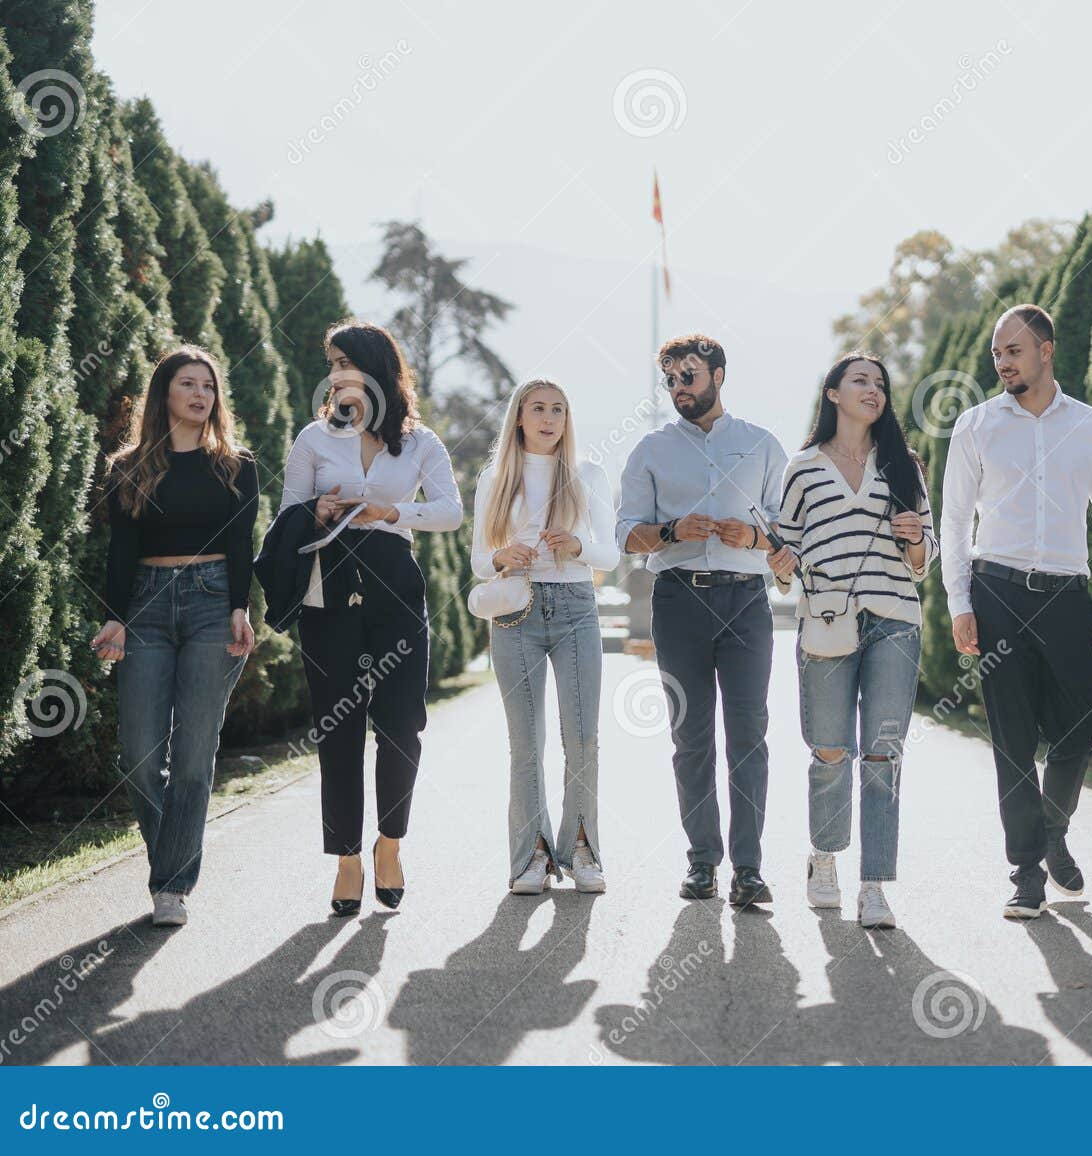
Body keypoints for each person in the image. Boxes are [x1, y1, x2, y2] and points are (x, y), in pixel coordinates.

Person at [941, 304, 1092, 920]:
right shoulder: (976, 426)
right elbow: (955, 521)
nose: (1003, 362)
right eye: (997, 355)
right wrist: (959, 604)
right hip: (996, 592)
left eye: (1013, 351)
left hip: (1066, 596)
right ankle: (1027, 871)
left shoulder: (1089, 426)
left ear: (1046, 350)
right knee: (1011, 740)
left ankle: (1053, 830)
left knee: (1076, 733)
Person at [281, 320, 463, 916]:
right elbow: (287, 518)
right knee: (337, 731)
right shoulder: (313, 438)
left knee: (401, 726)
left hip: (395, 590)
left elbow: (450, 513)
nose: (334, 375)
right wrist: (318, 508)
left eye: (344, 363)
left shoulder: (419, 443)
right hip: (327, 592)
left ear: (375, 370)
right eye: (331, 364)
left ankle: (390, 844)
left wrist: (391, 511)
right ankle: (347, 860)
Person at [615, 334, 787, 908]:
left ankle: (749, 868)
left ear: (718, 375)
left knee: (749, 737)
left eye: (688, 376)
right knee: (690, 738)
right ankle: (701, 863)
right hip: (678, 600)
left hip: (746, 602)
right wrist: (671, 532)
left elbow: (790, 536)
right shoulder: (650, 450)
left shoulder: (762, 445)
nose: (678, 389)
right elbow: (626, 534)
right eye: (669, 380)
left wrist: (757, 538)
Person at [92, 346, 258, 928]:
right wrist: (115, 615)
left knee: (192, 756)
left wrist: (241, 607)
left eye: (208, 386)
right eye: (187, 383)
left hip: (215, 602)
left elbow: (243, 543)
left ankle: (171, 885)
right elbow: (122, 548)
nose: (200, 394)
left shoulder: (236, 466)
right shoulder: (129, 467)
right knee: (138, 752)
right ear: (164, 394)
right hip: (147, 605)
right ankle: (174, 858)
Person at [769, 351, 936, 930]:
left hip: (894, 619)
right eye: (860, 381)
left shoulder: (904, 466)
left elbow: (923, 561)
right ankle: (823, 857)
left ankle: (874, 885)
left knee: (883, 756)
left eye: (881, 384)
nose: (874, 390)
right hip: (828, 621)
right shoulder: (803, 467)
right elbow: (782, 556)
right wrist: (782, 562)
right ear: (833, 394)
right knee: (830, 750)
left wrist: (915, 537)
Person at [473, 378, 618, 896]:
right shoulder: (496, 478)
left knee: (582, 739)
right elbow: (477, 561)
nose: (550, 417)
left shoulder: (588, 474)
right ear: (519, 417)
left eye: (559, 408)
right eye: (539, 408)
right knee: (525, 744)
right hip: (516, 613)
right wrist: (501, 556)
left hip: (576, 608)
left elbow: (612, 554)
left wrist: (579, 545)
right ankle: (532, 856)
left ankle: (581, 850)